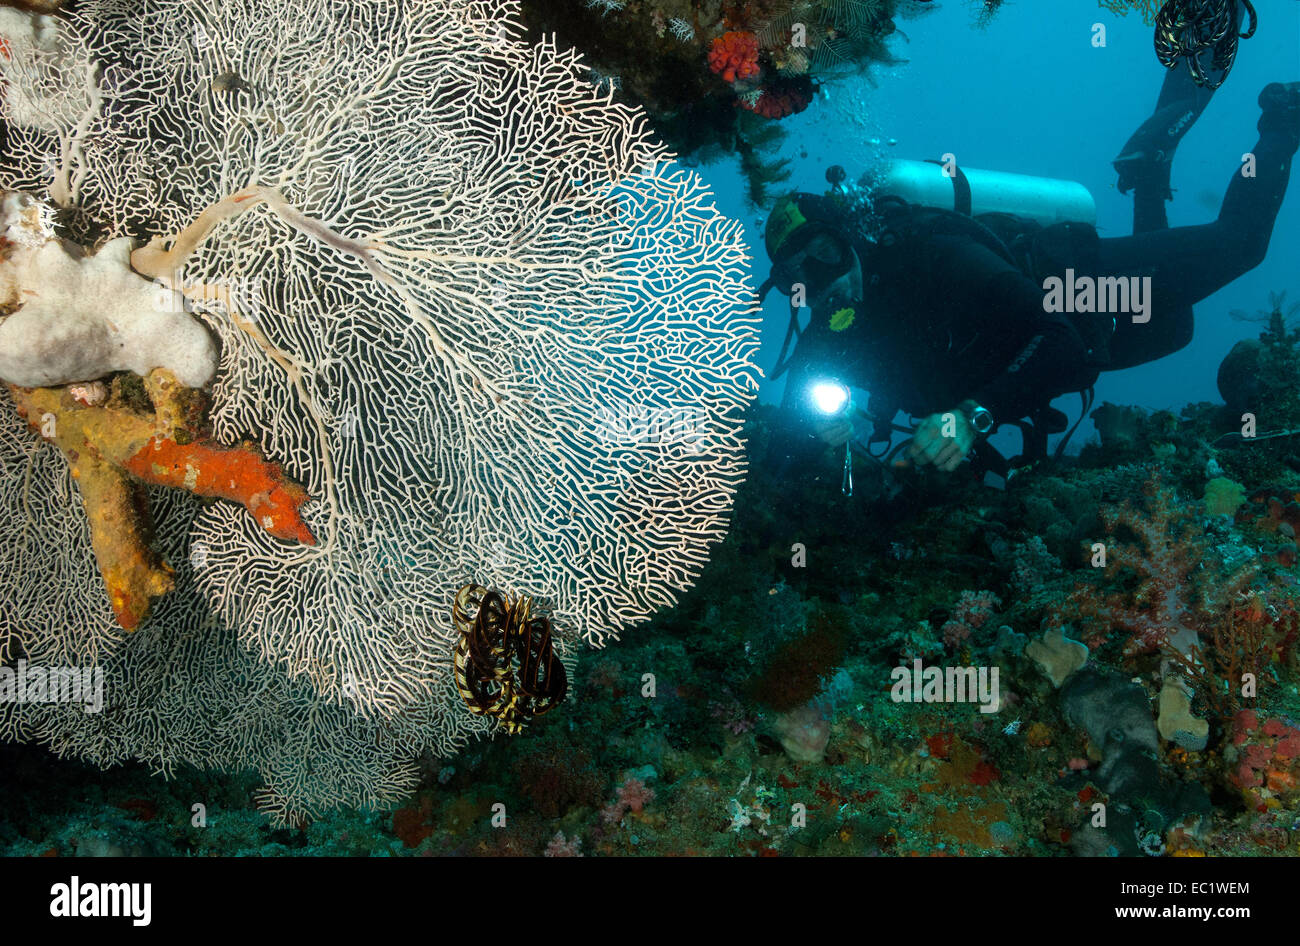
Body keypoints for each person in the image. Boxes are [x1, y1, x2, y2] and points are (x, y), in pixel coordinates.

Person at [763, 72, 1299, 478]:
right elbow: (783, 441)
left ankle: (1282, 119)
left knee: (1240, 247)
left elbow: (1059, 342)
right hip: (1079, 349)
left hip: (1076, 289)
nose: (821, 283)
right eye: (798, 281)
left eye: (824, 255)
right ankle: (1150, 171)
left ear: (850, 237)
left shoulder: (935, 258)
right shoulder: (827, 342)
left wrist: (974, 417)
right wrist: (822, 434)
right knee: (1174, 330)